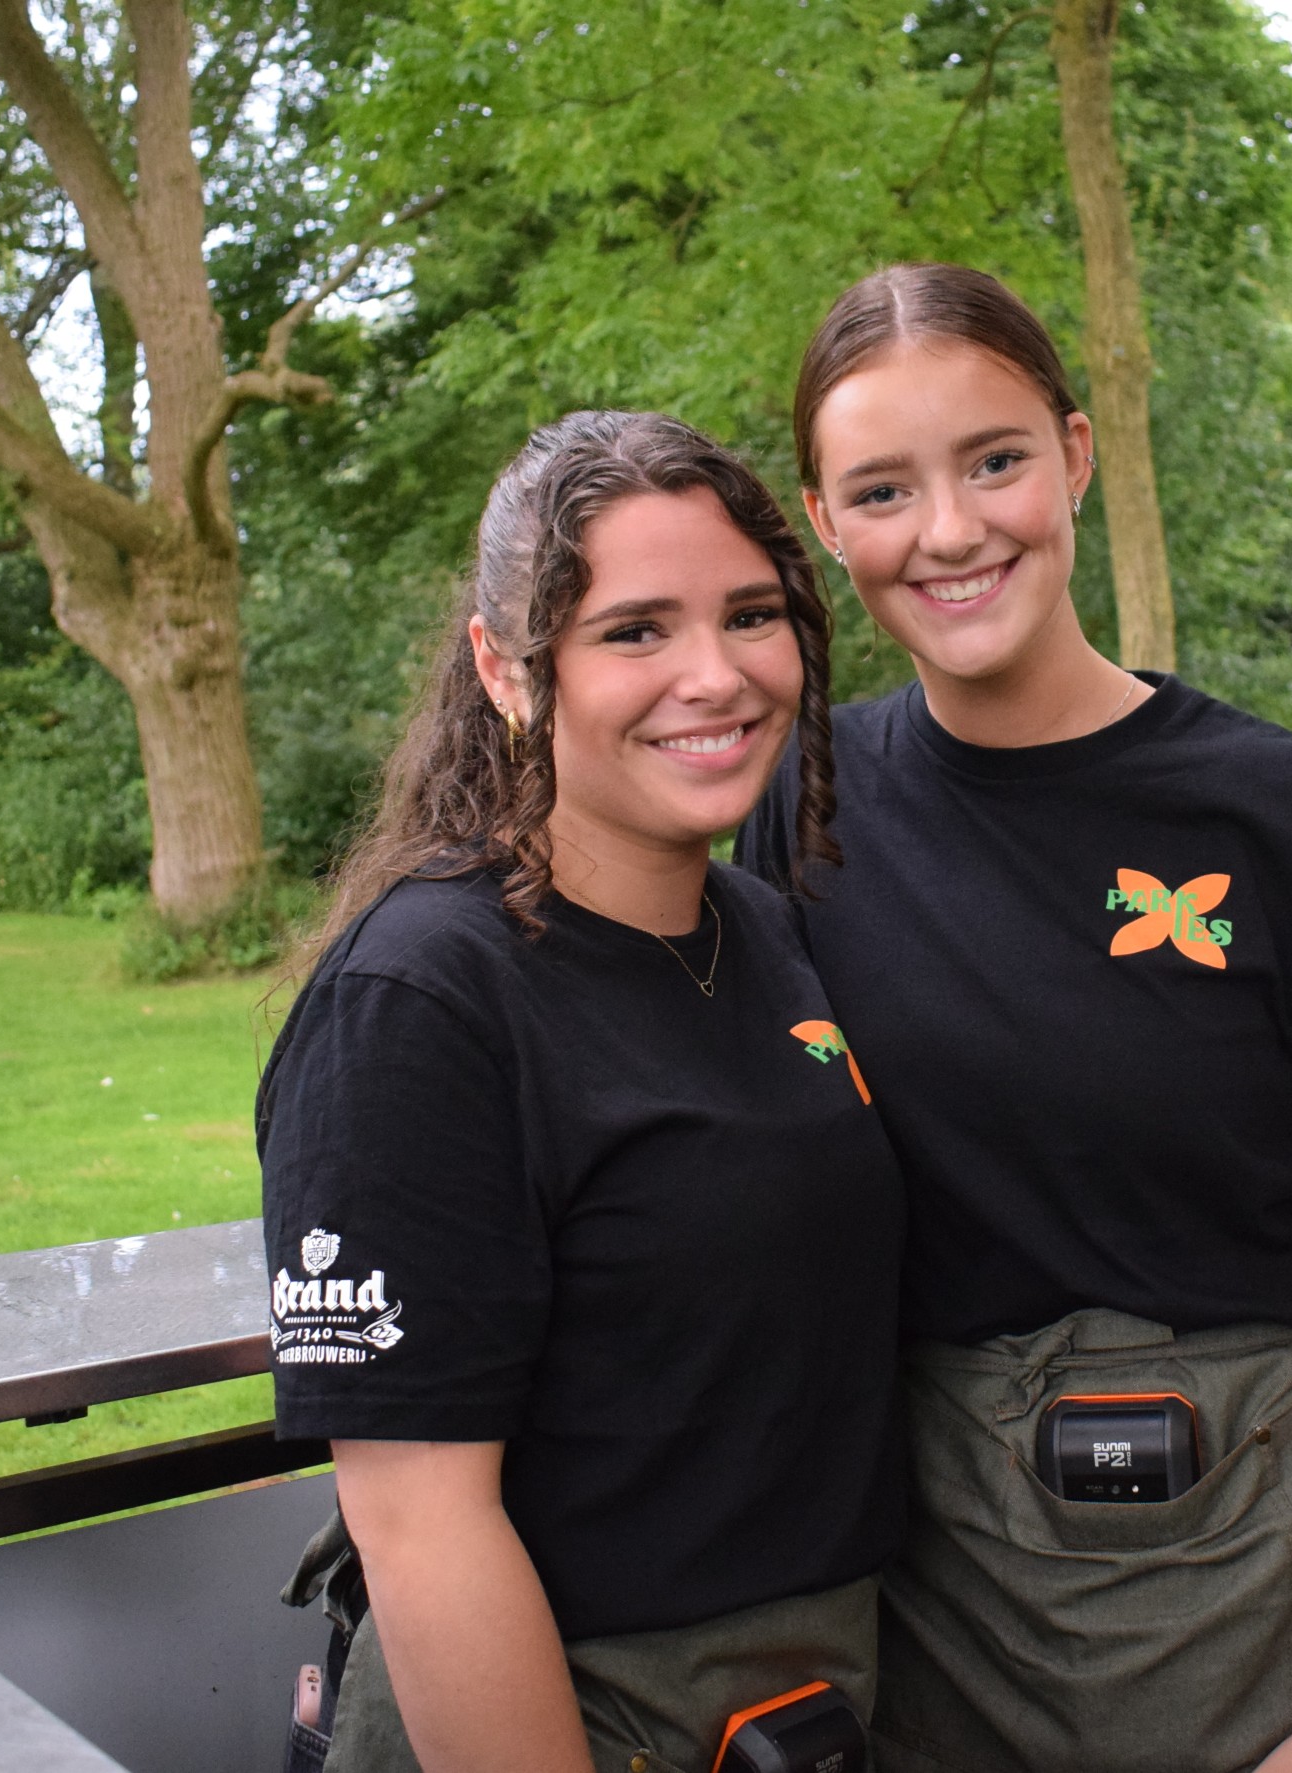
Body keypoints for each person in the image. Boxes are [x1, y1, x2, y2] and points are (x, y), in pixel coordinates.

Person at [738, 263, 1292, 1773]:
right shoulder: (806, 803)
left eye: (995, 461)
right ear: (826, 523)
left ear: (1077, 455)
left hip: (1275, 1605)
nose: (950, 530)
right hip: (937, 1617)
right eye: (884, 490)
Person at [259, 411, 904, 1773]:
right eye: (634, 631)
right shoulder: (421, 1000)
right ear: (505, 669)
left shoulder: (758, 928)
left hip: (805, 1697)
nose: (715, 675)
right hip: (574, 1712)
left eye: (751, 615)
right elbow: (422, 1528)